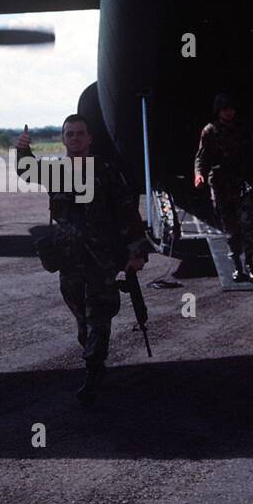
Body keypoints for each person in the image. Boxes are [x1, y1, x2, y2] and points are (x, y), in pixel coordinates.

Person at [14, 116, 149, 405]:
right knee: (81, 316)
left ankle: (93, 369)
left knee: (98, 315)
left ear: (90, 139)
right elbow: (26, 172)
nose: (75, 138)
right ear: (63, 140)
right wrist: (22, 149)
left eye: (80, 134)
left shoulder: (106, 172)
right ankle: (93, 357)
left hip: (102, 259)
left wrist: (137, 253)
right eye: (69, 134)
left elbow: (127, 213)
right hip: (69, 259)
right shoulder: (55, 171)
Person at [194, 92, 253, 282]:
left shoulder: (244, 129)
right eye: (225, 109)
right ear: (218, 111)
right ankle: (237, 264)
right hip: (221, 184)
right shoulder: (210, 131)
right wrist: (198, 174)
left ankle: (249, 262)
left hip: (243, 182)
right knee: (230, 228)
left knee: (249, 224)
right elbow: (201, 156)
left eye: (231, 109)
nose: (229, 113)